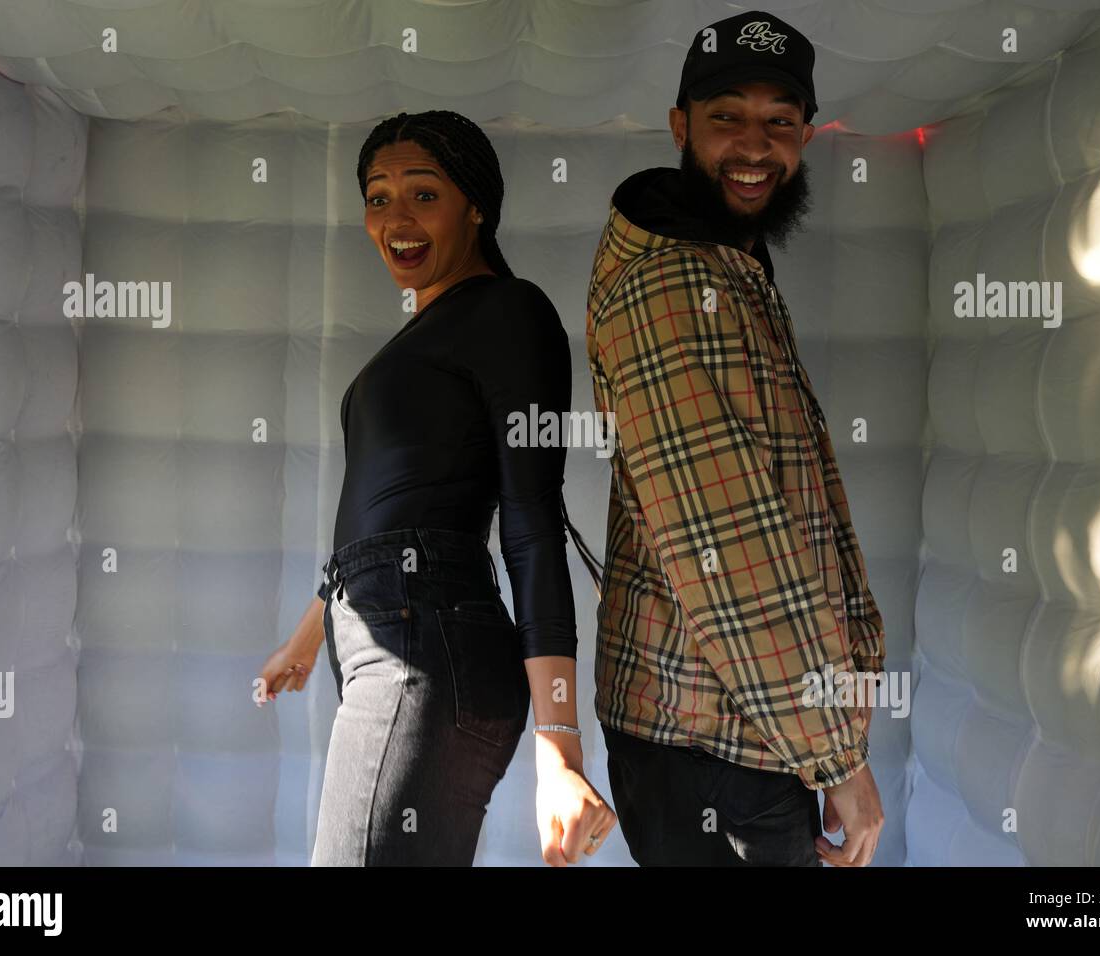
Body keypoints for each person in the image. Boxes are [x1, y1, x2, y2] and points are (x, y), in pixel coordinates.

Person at [259, 109, 615, 866]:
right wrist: (311, 630)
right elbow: (390, 507)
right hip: (391, 633)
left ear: (476, 204)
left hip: (426, 641)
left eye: (423, 194)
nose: (397, 218)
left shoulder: (509, 313)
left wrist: (559, 747)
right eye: (378, 197)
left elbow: (530, 523)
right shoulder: (424, 333)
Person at [585, 10, 887, 866]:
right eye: (727, 118)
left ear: (805, 135)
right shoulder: (681, 285)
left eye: (779, 122)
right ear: (681, 126)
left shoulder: (727, 262)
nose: (755, 146)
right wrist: (838, 760)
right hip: (714, 744)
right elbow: (733, 555)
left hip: (740, 730)